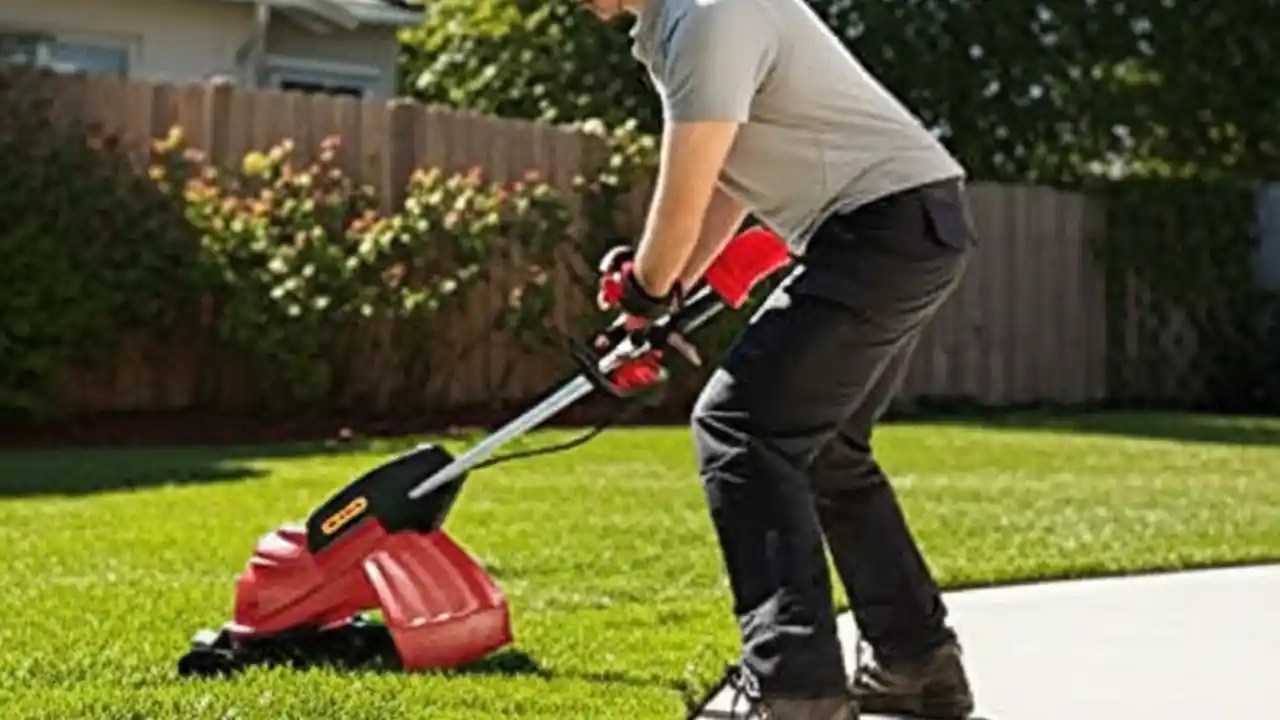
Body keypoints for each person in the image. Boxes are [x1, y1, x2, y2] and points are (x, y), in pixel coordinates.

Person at [579, 0, 979, 717]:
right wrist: (660, 299)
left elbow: (682, 198)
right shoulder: (681, 25)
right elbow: (726, 184)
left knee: (741, 429)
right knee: (826, 448)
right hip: (910, 225)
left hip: (880, 227)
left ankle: (796, 689)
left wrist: (646, 289)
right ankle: (918, 664)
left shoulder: (708, 17)